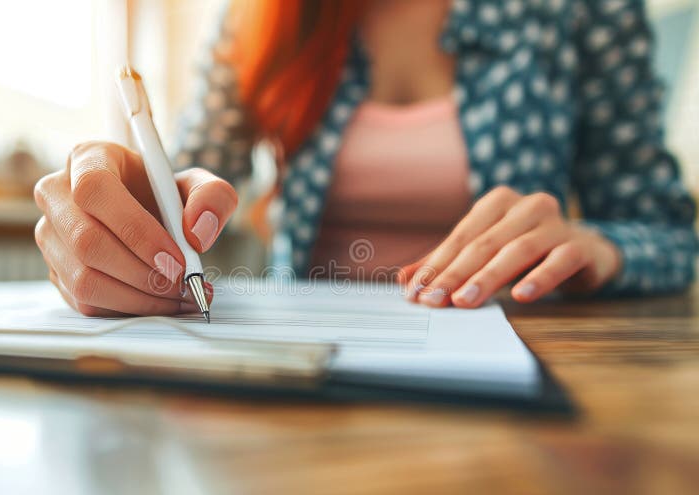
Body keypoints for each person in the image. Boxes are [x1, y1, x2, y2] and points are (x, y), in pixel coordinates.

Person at [34, 0, 697, 317]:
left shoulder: (583, 11)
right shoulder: (260, 17)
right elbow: (179, 184)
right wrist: (123, 218)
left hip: (517, 355)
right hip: (303, 368)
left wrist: (596, 246)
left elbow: (670, 237)